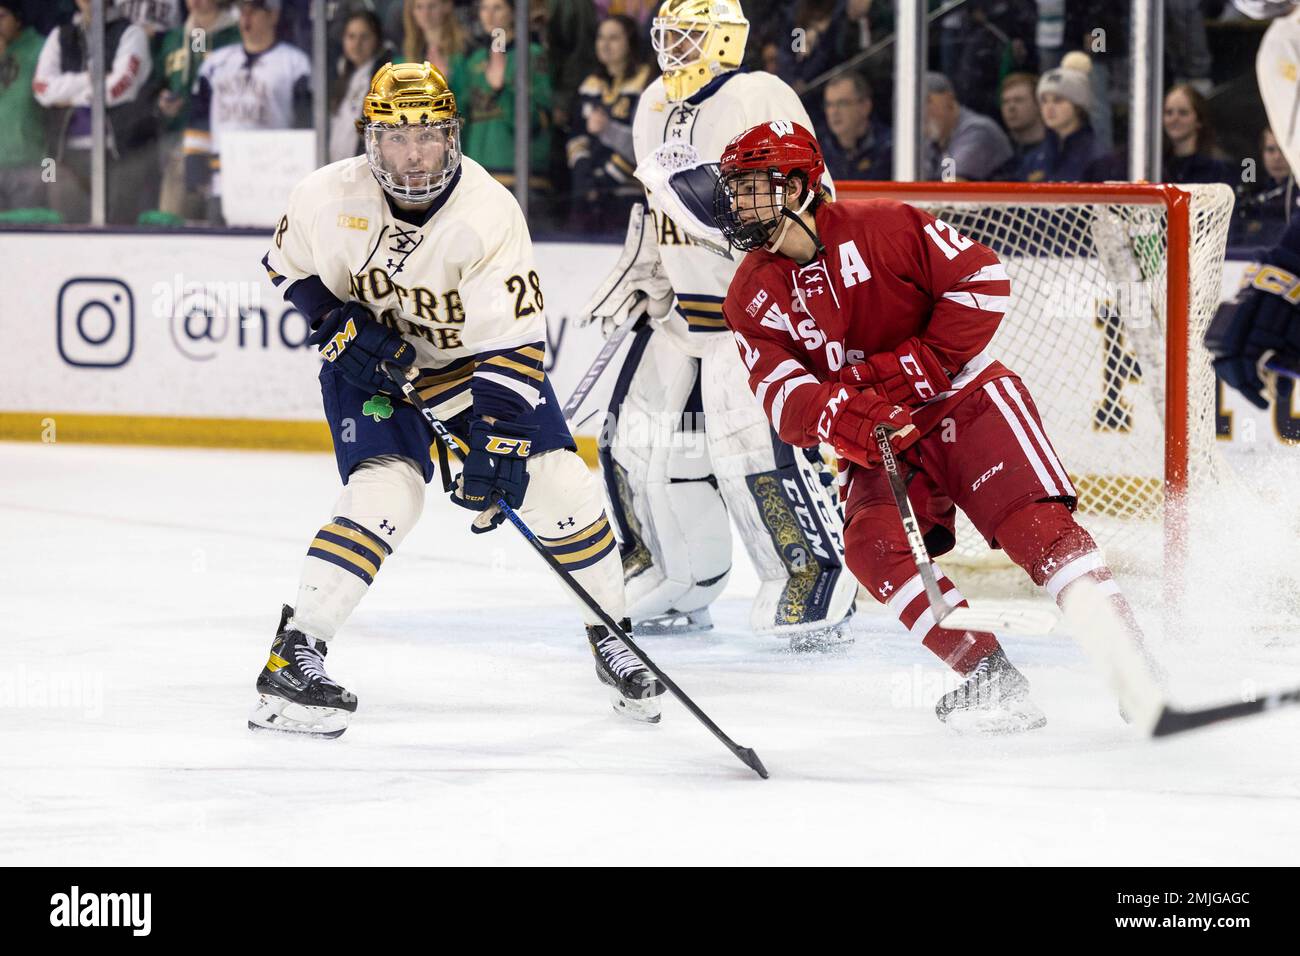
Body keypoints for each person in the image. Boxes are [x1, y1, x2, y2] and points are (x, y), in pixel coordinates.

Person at [252, 62, 658, 737]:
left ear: (453, 136)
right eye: (397, 138)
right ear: (371, 140)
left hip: (474, 365)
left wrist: (496, 441)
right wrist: (332, 322)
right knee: (389, 495)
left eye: (429, 136)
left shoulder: (489, 213)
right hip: (373, 373)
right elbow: (285, 265)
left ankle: (612, 636)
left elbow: (517, 345)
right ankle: (296, 652)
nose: (414, 156)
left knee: (559, 484)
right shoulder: (326, 195)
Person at [713, 122, 1161, 731]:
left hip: (964, 399)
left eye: (750, 187)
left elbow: (984, 282)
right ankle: (990, 677)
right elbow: (784, 399)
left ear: (797, 186)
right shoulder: (749, 294)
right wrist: (853, 416)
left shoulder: (886, 225)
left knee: (1037, 529)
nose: (736, 203)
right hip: (876, 440)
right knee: (873, 550)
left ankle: (1132, 667)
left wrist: (909, 372)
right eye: (734, 188)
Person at [578, 0, 858, 645]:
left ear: (726, 37)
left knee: (751, 451)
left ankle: (812, 572)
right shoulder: (651, 102)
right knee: (634, 439)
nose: (674, 45)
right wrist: (646, 269)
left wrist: (803, 288)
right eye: (667, 33)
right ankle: (677, 574)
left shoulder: (759, 92)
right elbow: (654, 201)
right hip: (683, 312)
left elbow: (810, 196)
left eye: (689, 33)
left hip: (753, 312)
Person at [183, 0, 311, 224]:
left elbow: (304, 122)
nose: (246, 18)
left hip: (274, 180)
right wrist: (195, 168)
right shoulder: (214, 63)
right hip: (221, 179)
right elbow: (199, 119)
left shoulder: (295, 64)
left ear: (273, 16)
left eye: (254, 11)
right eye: (242, 11)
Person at [32, 0, 158, 224]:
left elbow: (120, 89)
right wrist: (91, 79)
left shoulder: (131, 34)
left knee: (119, 229)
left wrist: (69, 97)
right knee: (65, 232)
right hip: (62, 158)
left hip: (119, 154)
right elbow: (42, 89)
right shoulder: (59, 35)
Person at [449, 0, 551, 193]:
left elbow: (538, 120)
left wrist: (502, 89)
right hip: (478, 174)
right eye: (484, 8)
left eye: (498, 7)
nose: (489, 15)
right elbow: (462, 119)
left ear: (514, 13)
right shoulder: (475, 60)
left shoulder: (530, 55)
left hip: (521, 176)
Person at [565, 13, 650, 234]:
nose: (605, 44)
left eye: (614, 38)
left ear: (630, 42)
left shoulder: (647, 82)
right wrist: (584, 175)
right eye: (601, 37)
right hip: (588, 194)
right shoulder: (590, 84)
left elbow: (645, 144)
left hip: (628, 198)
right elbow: (577, 137)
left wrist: (607, 130)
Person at [156, 0, 240, 220]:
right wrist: (162, 102)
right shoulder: (173, 38)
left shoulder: (236, 36)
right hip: (178, 139)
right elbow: (155, 85)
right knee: (174, 217)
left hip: (226, 143)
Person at [1015, 54, 1116, 183]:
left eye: (1058, 100)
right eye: (1044, 101)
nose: (1049, 108)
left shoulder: (1099, 159)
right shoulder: (1033, 159)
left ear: (1078, 106)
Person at [923, 71, 1012, 182]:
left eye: (928, 101)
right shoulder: (932, 140)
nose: (922, 110)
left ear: (949, 99)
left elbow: (953, 186)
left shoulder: (978, 131)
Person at [0, 0, 46, 212]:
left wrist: (50, 175)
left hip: (32, 165)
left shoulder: (41, 48)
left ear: (18, 20)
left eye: (1, 17)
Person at [328, 10, 392, 163]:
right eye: (351, 37)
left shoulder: (383, 78)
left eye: (364, 37)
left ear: (377, 40)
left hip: (363, 168)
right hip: (336, 167)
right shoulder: (339, 76)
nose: (356, 44)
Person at [1230, 127, 1297, 249]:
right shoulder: (1252, 195)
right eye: (1270, 150)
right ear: (1262, 153)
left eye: (1283, 150)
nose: (1277, 157)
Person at [818, 71, 891, 182]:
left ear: (865, 107)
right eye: (829, 105)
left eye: (842, 103)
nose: (834, 111)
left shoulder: (889, 148)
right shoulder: (818, 152)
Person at [1161, 83, 1235, 186]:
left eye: (1183, 113)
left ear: (1199, 120)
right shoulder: (1158, 165)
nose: (1174, 119)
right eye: (1169, 112)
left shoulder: (1218, 168)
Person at [398, 0, 466, 78]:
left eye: (432, 6)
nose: (425, 14)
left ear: (446, 7)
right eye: (419, 7)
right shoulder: (406, 52)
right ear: (412, 11)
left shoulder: (463, 46)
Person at [994, 71, 1043, 178]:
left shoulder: (1055, 150)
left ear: (1038, 104)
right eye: (1005, 101)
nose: (1011, 107)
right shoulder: (1000, 152)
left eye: (1018, 100)